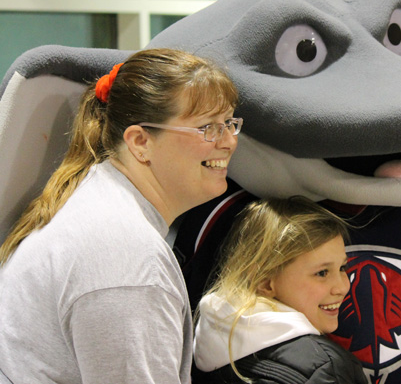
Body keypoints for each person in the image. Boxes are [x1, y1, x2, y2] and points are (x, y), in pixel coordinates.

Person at [0, 48, 241, 384]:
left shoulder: (97, 203)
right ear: (140, 142)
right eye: (208, 128)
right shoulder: (127, 257)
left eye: (229, 123)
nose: (229, 141)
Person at [192, 196, 367, 384]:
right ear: (264, 281)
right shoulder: (326, 369)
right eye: (322, 273)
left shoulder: (200, 347)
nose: (342, 287)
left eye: (342, 268)